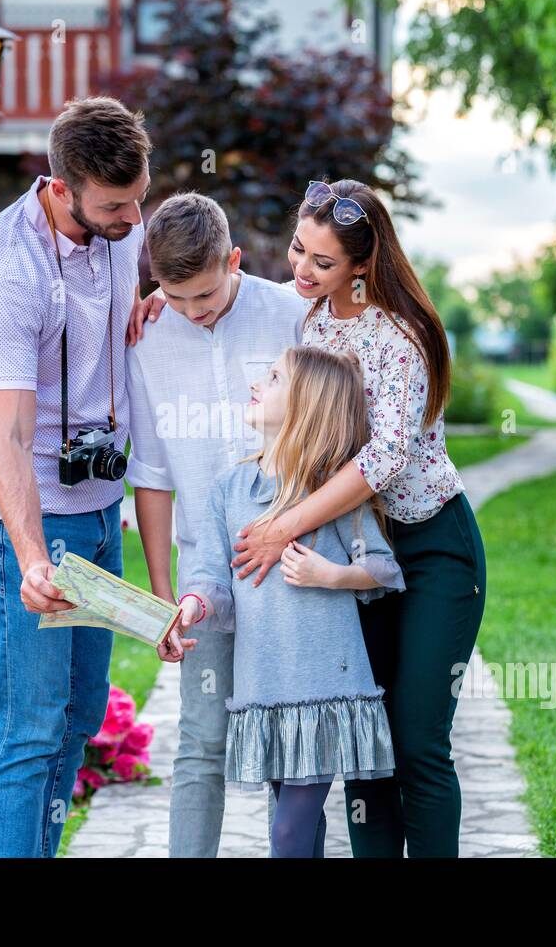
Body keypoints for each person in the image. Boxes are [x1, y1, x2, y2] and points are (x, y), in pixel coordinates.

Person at [231, 178, 487, 858]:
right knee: (366, 743)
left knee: (417, 741)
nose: (301, 270)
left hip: (431, 547)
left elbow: (386, 457)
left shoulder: (399, 339)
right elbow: (237, 293)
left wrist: (284, 526)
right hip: (351, 552)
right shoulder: (312, 320)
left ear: (363, 266)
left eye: (322, 262)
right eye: (297, 250)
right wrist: (155, 304)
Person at [0, 96, 158, 858]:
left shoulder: (120, 223)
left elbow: (143, 271)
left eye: (140, 198)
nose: (134, 219)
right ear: (61, 186)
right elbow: (5, 433)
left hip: (99, 507)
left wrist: (154, 295)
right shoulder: (6, 273)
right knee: (29, 724)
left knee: (79, 715)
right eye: (116, 206)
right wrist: (32, 555)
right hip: (23, 515)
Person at [125, 191, 309, 857]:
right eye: (175, 298)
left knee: (292, 750)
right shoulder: (146, 339)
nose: (192, 313)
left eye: (204, 296)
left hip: (292, 572)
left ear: (233, 260)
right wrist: (157, 593)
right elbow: (150, 473)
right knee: (201, 744)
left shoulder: (290, 317)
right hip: (207, 581)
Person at [170, 345, 405, 858]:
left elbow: (385, 570)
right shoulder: (230, 489)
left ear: (306, 405)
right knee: (301, 830)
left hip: (323, 691)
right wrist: (190, 606)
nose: (257, 384)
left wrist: (331, 574)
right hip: (265, 690)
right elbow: (212, 578)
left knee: (287, 834)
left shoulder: (333, 492)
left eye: (273, 378)